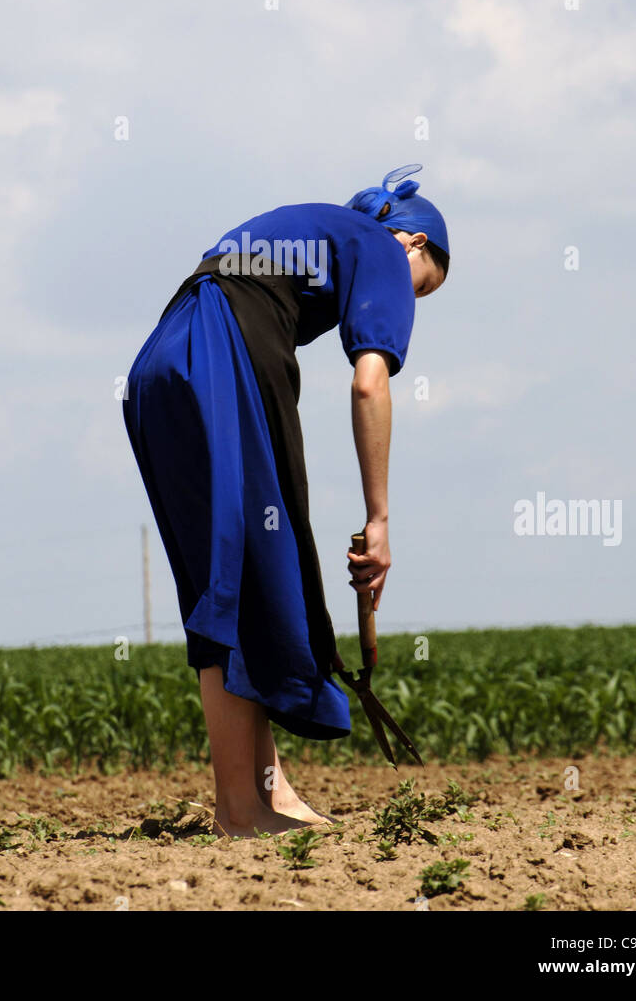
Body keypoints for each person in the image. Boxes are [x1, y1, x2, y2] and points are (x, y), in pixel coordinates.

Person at [122, 164, 449, 838]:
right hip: (224, 355)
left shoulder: (313, 234)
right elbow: (368, 385)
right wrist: (380, 521)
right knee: (247, 578)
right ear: (414, 245)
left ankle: (274, 794)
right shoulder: (381, 246)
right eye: (423, 289)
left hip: (162, 361)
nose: (409, 303)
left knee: (239, 577)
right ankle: (238, 811)